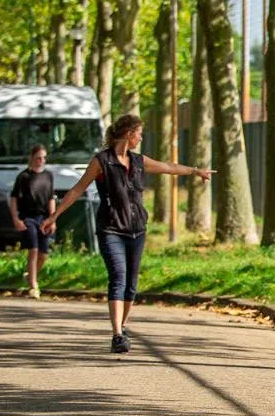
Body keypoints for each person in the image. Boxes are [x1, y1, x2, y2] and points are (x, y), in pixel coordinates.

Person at [43, 114, 213, 354]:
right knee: (118, 277)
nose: (141, 138)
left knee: (131, 284)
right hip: (111, 229)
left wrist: (195, 171)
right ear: (128, 133)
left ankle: (122, 326)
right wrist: (54, 216)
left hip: (137, 229)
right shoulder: (102, 162)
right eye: (139, 133)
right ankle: (116, 335)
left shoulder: (139, 161)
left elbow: (168, 167)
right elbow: (77, 190)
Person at [8, 144, 57, 298]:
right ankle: (33, 286)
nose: (41, 161)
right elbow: (14, 198)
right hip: (28, 217)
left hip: (44, 218)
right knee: (33, 249)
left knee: (44, 253)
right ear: (31, 158)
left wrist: (52, 218)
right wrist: (16, 218)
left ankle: (30, 275)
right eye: (38, 158)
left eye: (43, 158)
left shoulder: (48, 175)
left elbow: (51, 198)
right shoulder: (23, 177)